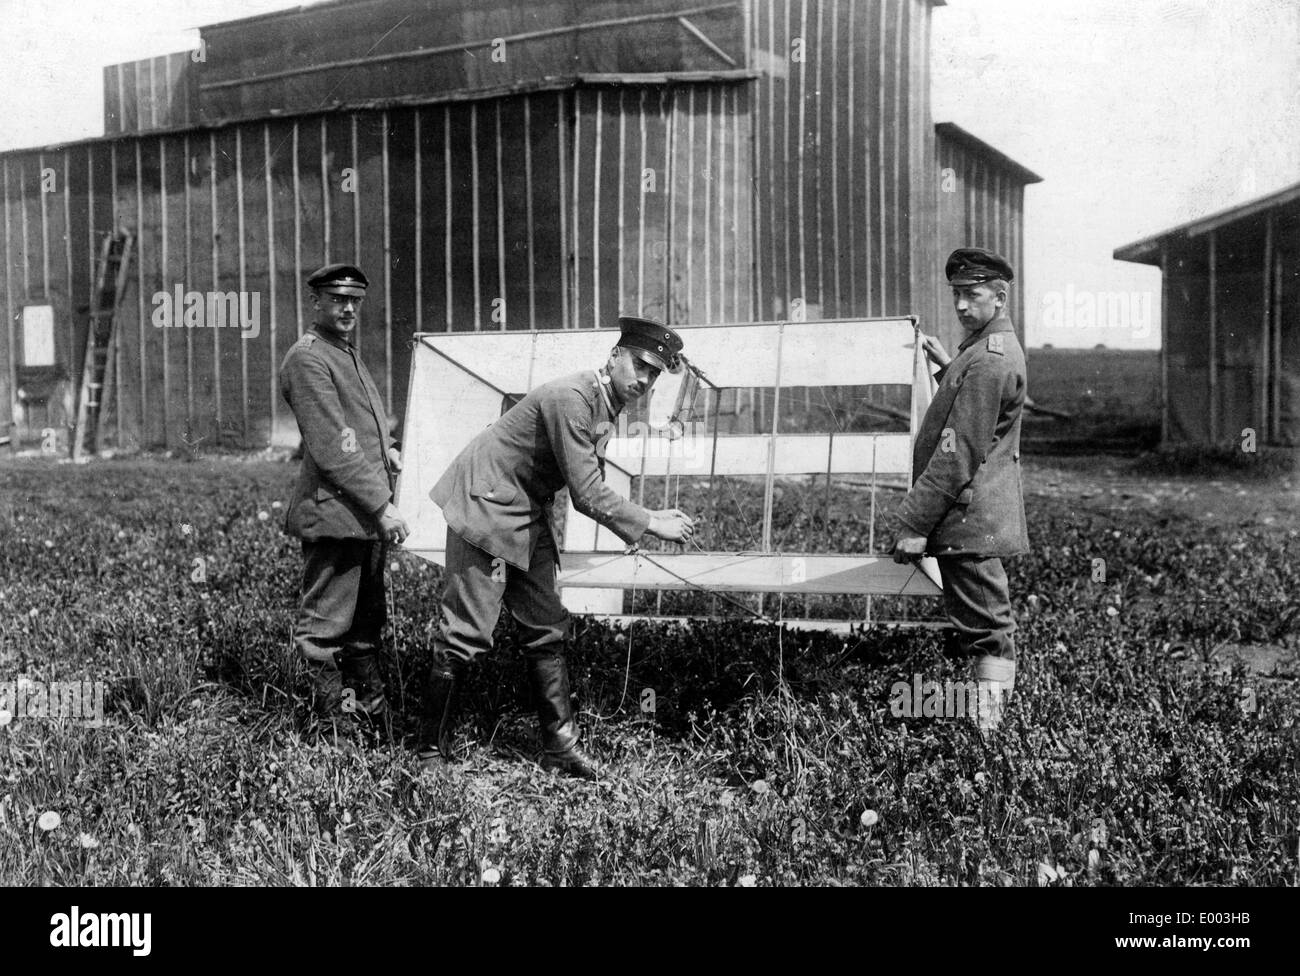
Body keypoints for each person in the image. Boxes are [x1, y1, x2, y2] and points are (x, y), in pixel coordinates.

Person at [421, 315, 697, 779]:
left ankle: (560, 747)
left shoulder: (604, 402)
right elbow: (586, 492)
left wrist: (648, 518)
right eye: (639, 365)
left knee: (546, 624)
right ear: (614, 357)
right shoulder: (572, 399)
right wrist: (650, 523)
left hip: (525, 509)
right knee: (466, 633)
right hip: (485, 505)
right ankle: (428, 754)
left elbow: (589, 476)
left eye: (654, 374)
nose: (644, 380)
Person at [892, 247, 1029, 730]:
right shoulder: (982, 353)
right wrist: (948, 366)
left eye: (972, 295)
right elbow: (978, 409)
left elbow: (958, 454)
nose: (961, 307)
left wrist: (912, 523)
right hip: (972, 516)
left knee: (988, 628)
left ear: (1000, 295)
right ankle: (985, 727)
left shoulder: (988, 361)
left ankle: (988, 736)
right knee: (981, 621)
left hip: (969, 518)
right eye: (957, 296)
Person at [279, 263, 410, 736]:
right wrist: (381, 504)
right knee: (323, 630)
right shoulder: (308, 358)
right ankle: (331, 732)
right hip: (336, 515)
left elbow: (358, 427)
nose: (348, 307)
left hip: (359, 516)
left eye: (355, 299)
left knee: (364, 625)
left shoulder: (343, 352)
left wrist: (387, 450)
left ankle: (371, 721)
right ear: (316, 301)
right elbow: (334, 443)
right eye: (337, 299)